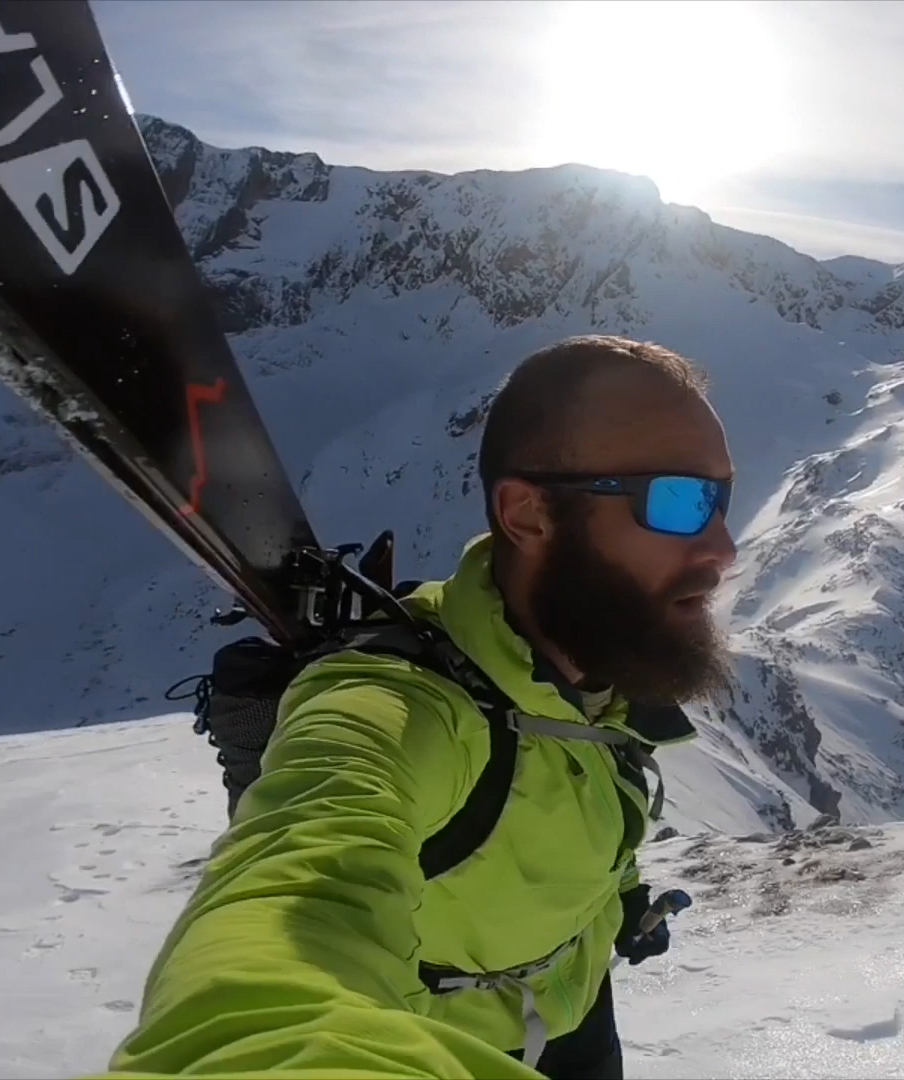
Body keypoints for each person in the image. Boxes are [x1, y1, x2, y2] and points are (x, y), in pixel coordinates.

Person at [100, 335, 739, 1080]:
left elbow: (579, 816)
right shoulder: (397, 705)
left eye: (721, 498)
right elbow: (285, 913)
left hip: (579, 1014)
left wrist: (620, 904)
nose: (723, 547)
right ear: (529, 515)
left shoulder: (599, 664)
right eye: (680, 500)